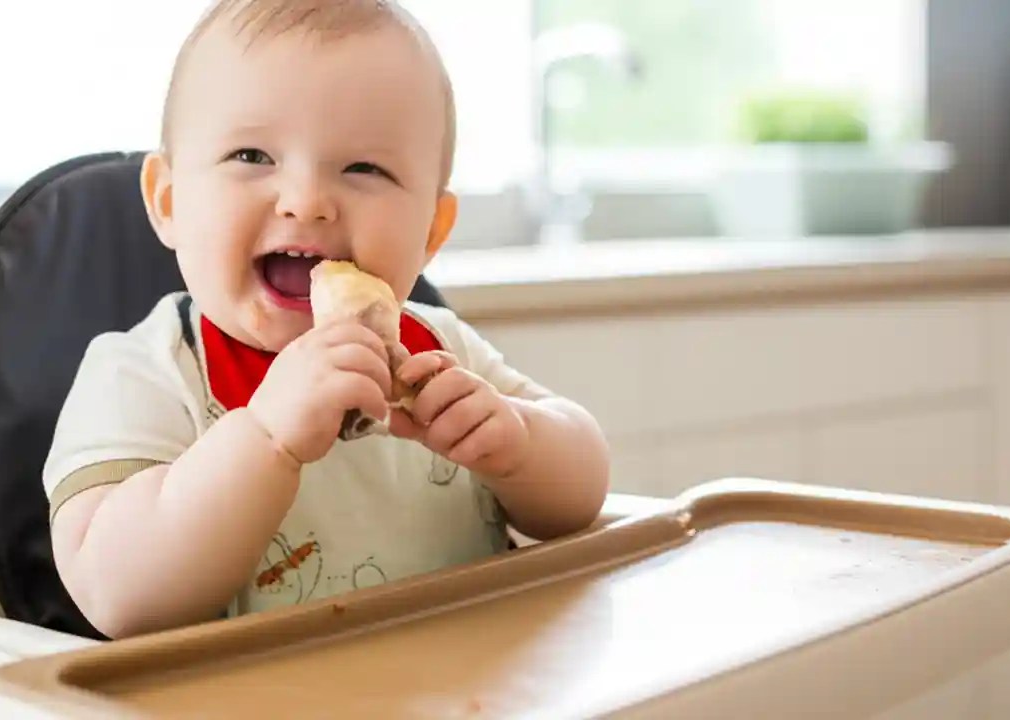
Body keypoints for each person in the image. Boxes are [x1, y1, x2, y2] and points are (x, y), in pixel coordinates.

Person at [43, 0, 610, 639]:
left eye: (364, 168)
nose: (307, 202)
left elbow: (583, 493)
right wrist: (265, 438)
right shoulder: (145, 375)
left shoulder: (439, 351)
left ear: (431, 230)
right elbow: (115, 594)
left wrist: (522, 446)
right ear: (170, 201)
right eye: (253, 156)